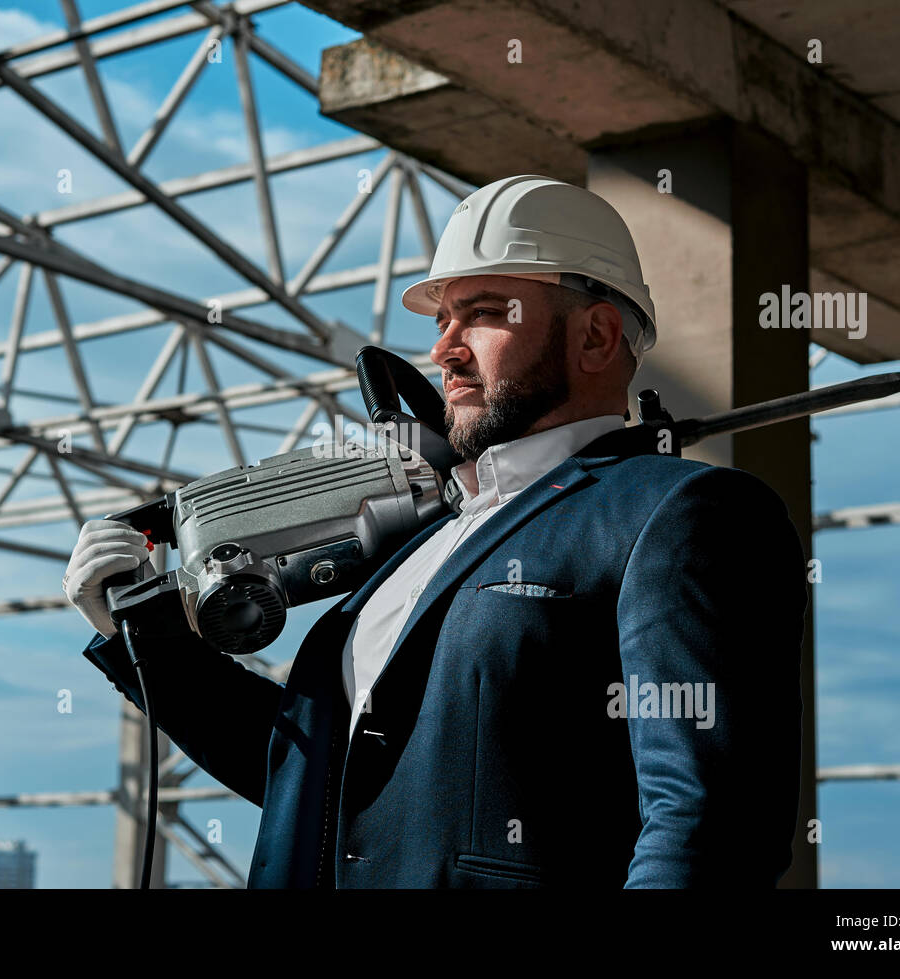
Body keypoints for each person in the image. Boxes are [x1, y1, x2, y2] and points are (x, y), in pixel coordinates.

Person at [65, 174, 807, 888]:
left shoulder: (682, 514)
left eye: (483, 312)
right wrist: (152, 644)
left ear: (596, 335)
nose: (444, 350)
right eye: (440, 319)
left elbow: (709, 825)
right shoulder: (423, 543)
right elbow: (310, 771)